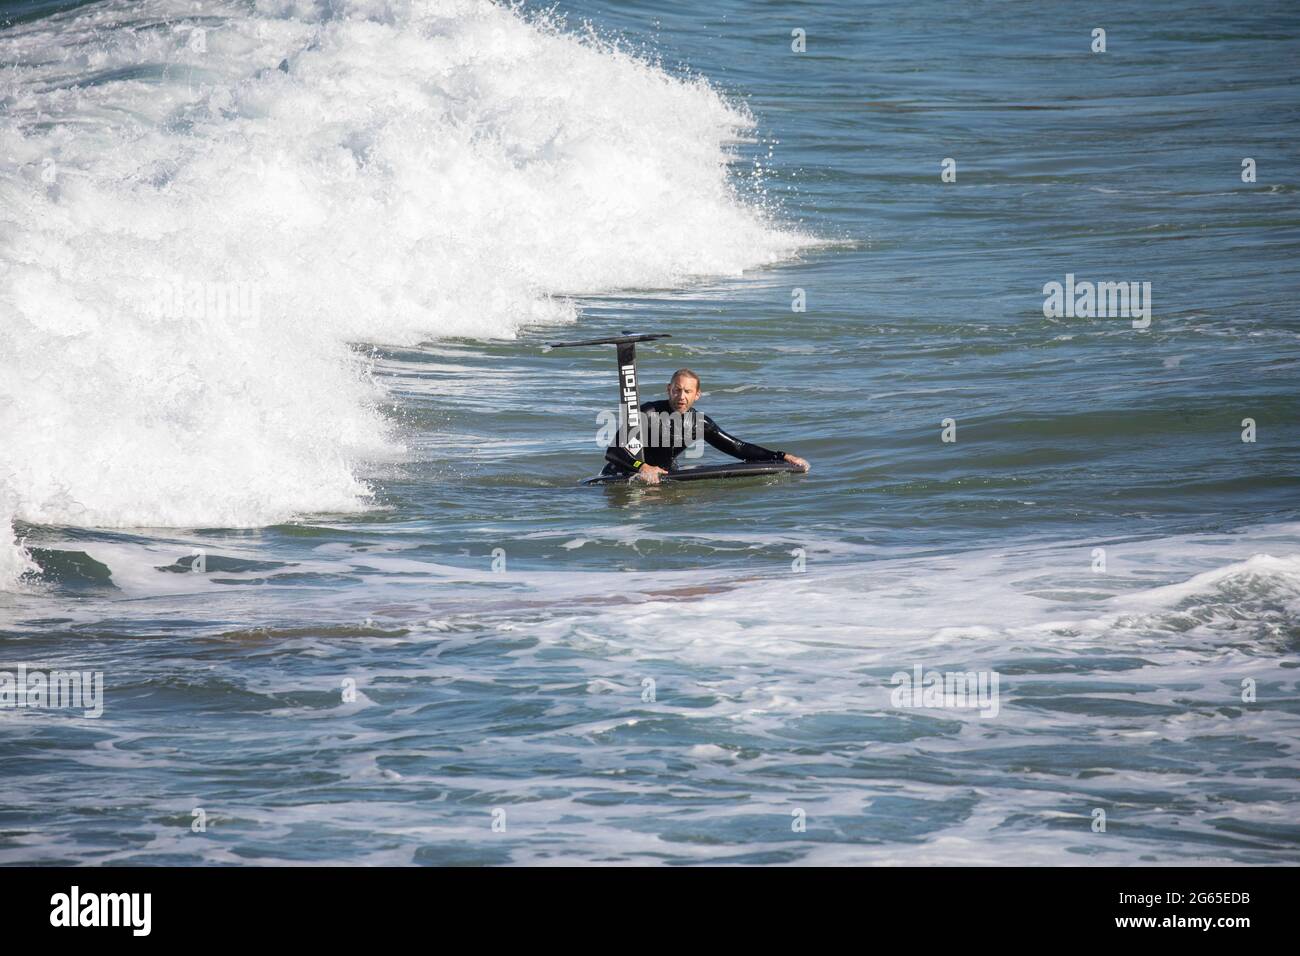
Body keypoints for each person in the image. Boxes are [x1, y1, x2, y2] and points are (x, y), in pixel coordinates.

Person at [601, 368, 811, 484]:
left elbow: (738, 448)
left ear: (697, 395)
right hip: (620, 476)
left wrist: (781, 456)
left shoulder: (699, 423)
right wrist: (643, 467)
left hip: (662, 477)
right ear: (668, 390)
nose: (681, 396)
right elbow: (614, 452)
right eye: (677, 390)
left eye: (687, 392)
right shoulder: (649, 413)